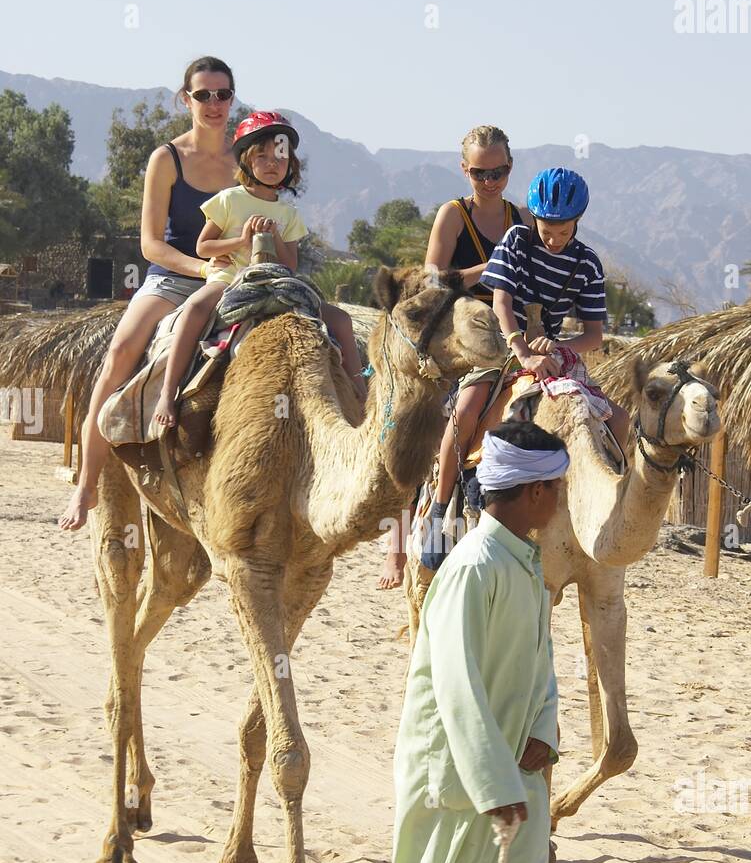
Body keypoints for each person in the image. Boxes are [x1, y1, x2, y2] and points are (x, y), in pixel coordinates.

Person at [358, 421, 578, 863]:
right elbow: (456, 689)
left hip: (518, 770)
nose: (564, 499)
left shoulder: (524, 561)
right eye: (561, 487)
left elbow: (540, 666)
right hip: (461, 777)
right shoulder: (474, 566)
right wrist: (491, 785)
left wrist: (542, 733)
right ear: (537, 491)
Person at [59, 56, 239, 531]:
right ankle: (87, 482)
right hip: (173, 276)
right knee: (120, 352)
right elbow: (150, 243)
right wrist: (201, 267)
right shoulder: (168, 159)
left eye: (223, 94)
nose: (214, 104)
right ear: (186, 99)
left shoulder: (247, 157)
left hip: (233, 280)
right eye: (204, 95)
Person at [420, 166, 629, 571]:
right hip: (501, 342)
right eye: (546, 228)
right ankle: (439, 509)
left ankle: (611, 507)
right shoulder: (516, 240)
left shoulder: (587, 263)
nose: (553, 238)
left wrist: (557, 345)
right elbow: (500, 302)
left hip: (552, 350)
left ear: (577, 223)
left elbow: (593, 336)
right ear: (534, 218)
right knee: (466, 411)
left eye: (563, 231)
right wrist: (521, 349)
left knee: (618, 420)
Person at [376, 123, 527, 590]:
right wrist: (495, 264)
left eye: (498, 171)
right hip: (461, 329)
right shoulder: (453, 215)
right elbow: (434, 281)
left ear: (510, 167)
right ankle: (430, 522)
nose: (490, 181)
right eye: (481, 173)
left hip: (513, 327)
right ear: (465, 170)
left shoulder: (519, 216)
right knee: (438, 421)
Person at [152, 111, 364, 426]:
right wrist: (241, 240)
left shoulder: (288, 213)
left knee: (341, 319)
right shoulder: (229, 200)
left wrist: (275, 236)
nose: (271, 164)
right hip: (230, 281)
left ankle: (359, 394)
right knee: (195, 309)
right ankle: (168, 393)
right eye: (261, 156)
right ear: (246, 162)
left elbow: (290, 264)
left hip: (277, 286)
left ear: (290, 165)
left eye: (279, 157)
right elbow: (203, 247)